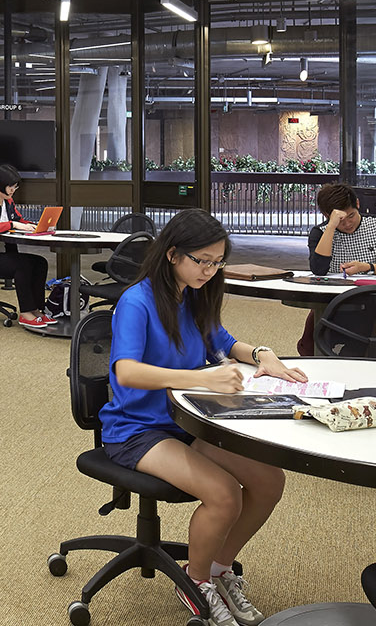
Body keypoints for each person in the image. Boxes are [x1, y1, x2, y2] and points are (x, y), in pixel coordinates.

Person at [102, 208, 307, 626]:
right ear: (173, 254)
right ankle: (195, 583)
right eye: (203, 261)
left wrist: (264, 355)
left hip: (188, 420)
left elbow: (225, 341)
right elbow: (126, 370)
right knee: (224, 493)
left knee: (270, 480)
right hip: (136, 430)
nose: (211, 271)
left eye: (218, 263)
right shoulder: (136, 301)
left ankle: (218, 569)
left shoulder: (192, 296)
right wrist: (202, 378)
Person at [297, 184, 376, 355]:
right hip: (332, 301)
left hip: (373, 300)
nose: (348, 224)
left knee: (359, 343)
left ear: (357, 204)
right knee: (311, 343)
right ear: (327, 216)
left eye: (351, 216)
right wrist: (331, 227)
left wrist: (368, 267)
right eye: (341, 220)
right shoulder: (320, 233)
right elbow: (318, 269)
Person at [0, 164, 52, 327]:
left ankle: (37, 310)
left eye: (15, 186)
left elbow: (18, 220)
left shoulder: (8, 201)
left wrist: (35, 226)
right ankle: (26, 312)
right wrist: (12, 224)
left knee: (41, 262)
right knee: (22, 265)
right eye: (11, 186)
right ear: (0, 184)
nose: (14, 190)